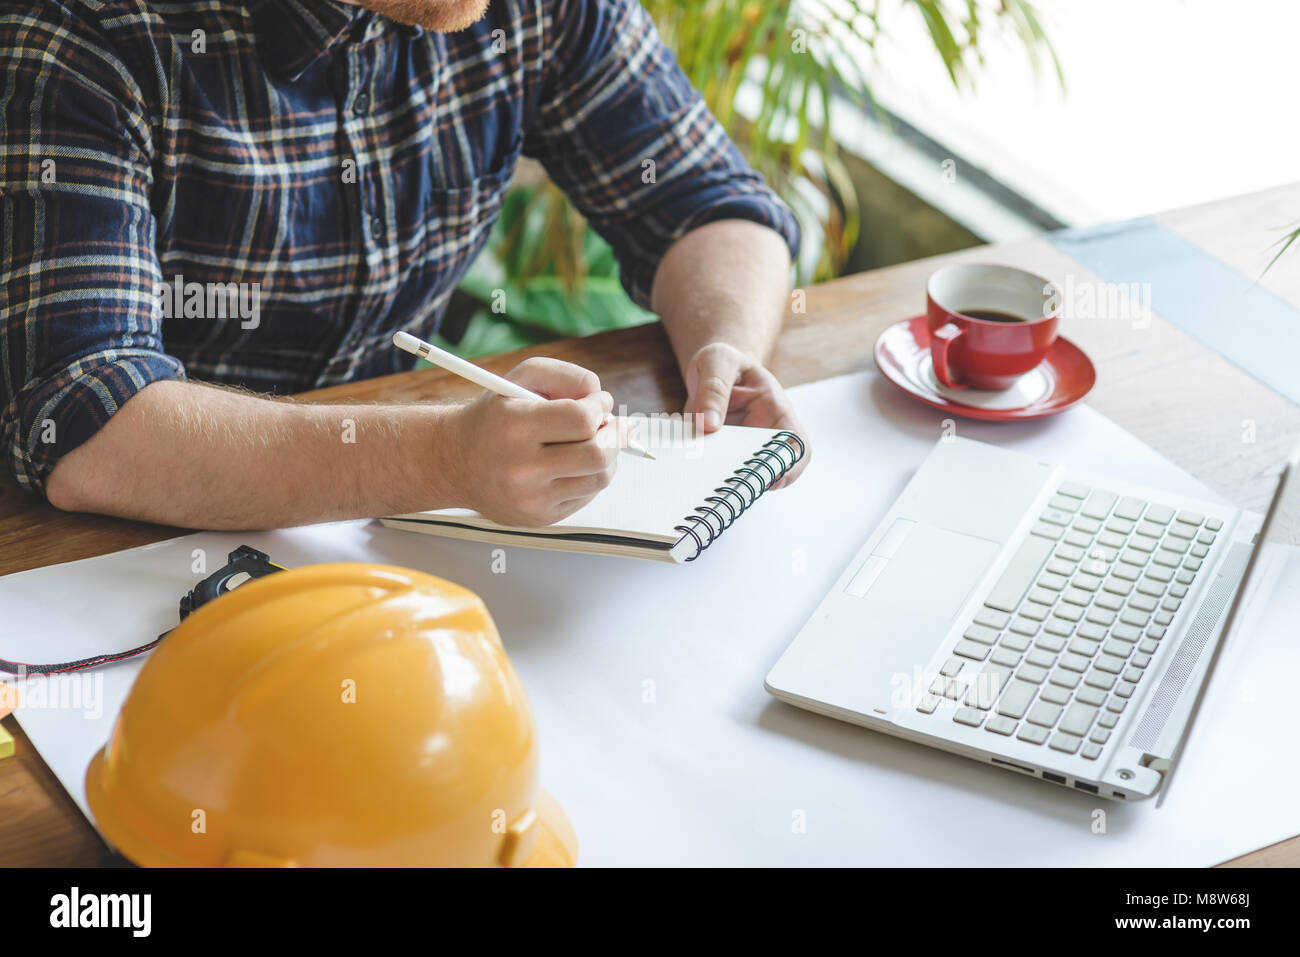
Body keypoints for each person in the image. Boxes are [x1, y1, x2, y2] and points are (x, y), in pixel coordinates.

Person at [0, 0, 809, 530]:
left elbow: (711, 202)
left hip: (382, 544)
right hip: (100, 560)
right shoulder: (79, 31)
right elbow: (85, 420)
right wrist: (442, 459)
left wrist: (725, 343)